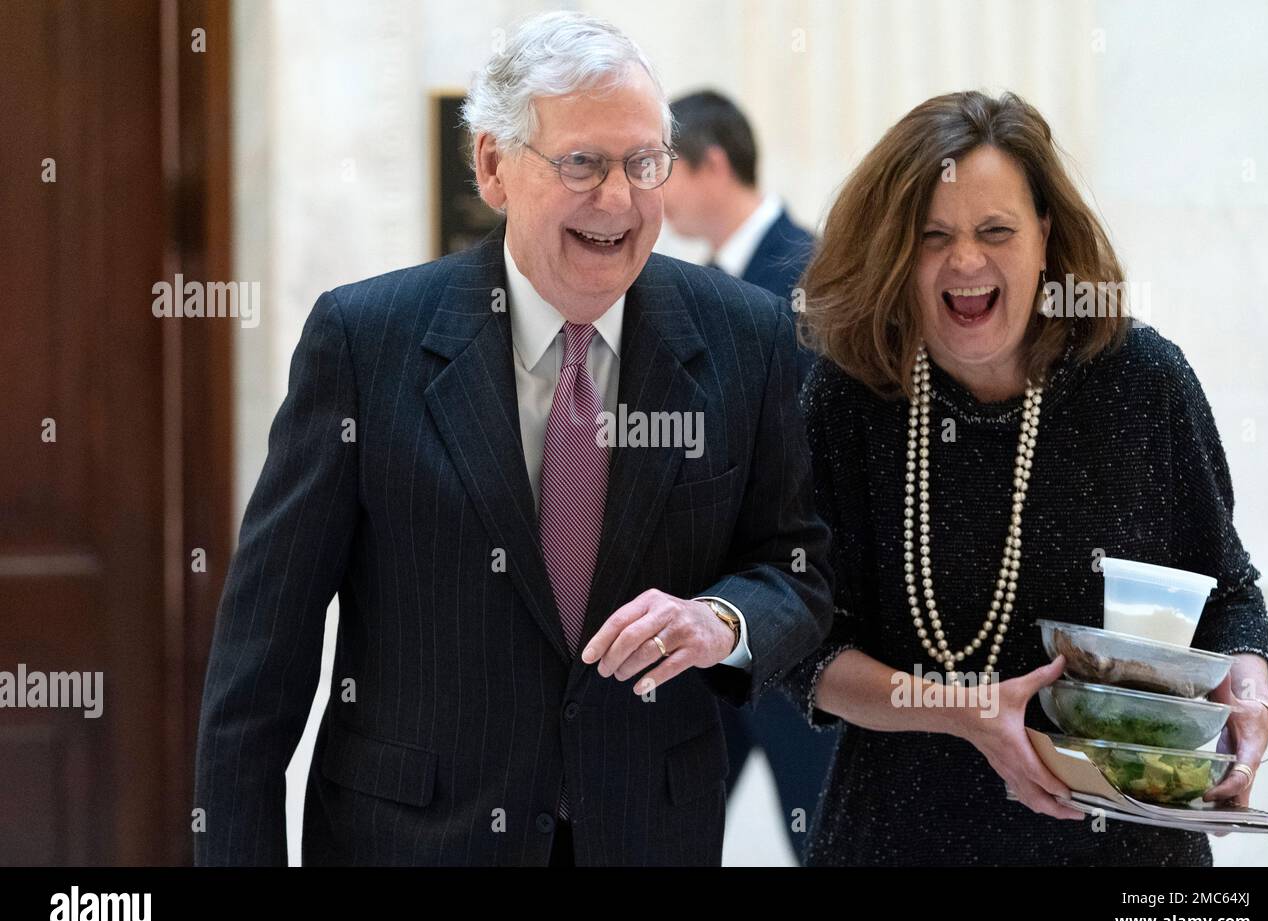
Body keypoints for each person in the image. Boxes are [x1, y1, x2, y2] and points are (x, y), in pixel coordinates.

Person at [193, 10, 832, 867]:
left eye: (644, 164)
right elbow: (258, 668)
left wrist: (723, 621)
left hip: (647, 832)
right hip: (413, 840)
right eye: (582, 163)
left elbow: (798, 570)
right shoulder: (366, 341)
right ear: (494, 165)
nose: (619, 199)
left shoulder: (744, 337)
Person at [782, 90, 1268, 865]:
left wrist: (1246, 696)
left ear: (1045, 236)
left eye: (996, 231)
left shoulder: (1141, 381)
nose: (967, 261)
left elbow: (1231, 593)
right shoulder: (849, 398)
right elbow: (805, 649)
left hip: (1125, 846)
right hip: (903, 835)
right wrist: (966, 712)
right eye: (932, 236)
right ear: (892, 251)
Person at [664, 89, 836, 861]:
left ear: (713, 164)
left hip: (795, 633)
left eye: (659, 168)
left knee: (821, 840)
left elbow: (814, 460)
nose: (649, 192)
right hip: (708, 633)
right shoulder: (696, 286)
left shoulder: (807, 275)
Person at [664, 89, 816, 383]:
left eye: (665, 167)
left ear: (713, 165)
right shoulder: (703, 279)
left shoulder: (812, 269)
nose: (654, 191)